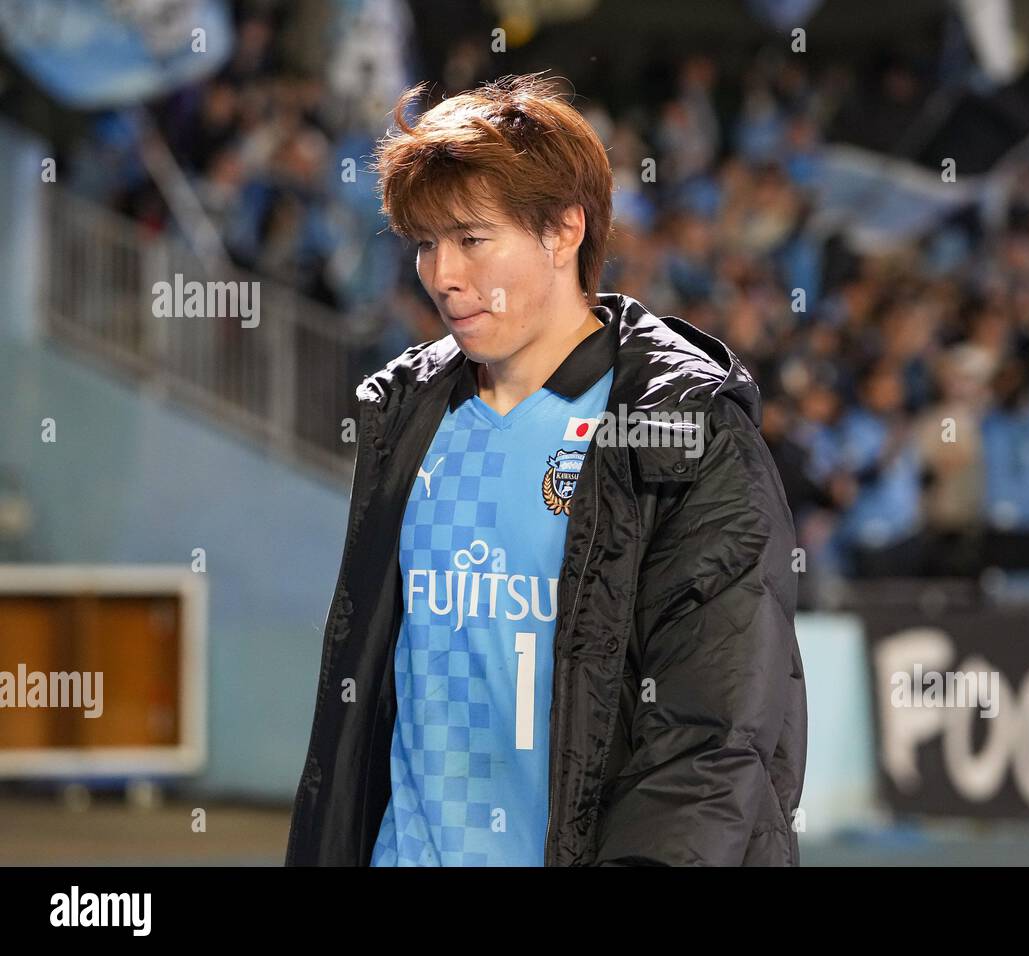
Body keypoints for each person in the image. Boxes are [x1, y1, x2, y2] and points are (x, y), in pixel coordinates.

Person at [284, 73, 807, 866]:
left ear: (564, 232)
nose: (442, 275)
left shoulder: (680, 426)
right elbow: (360, 711)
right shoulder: (408, 415)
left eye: (470, 238)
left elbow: (712, 737)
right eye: (425, 244)